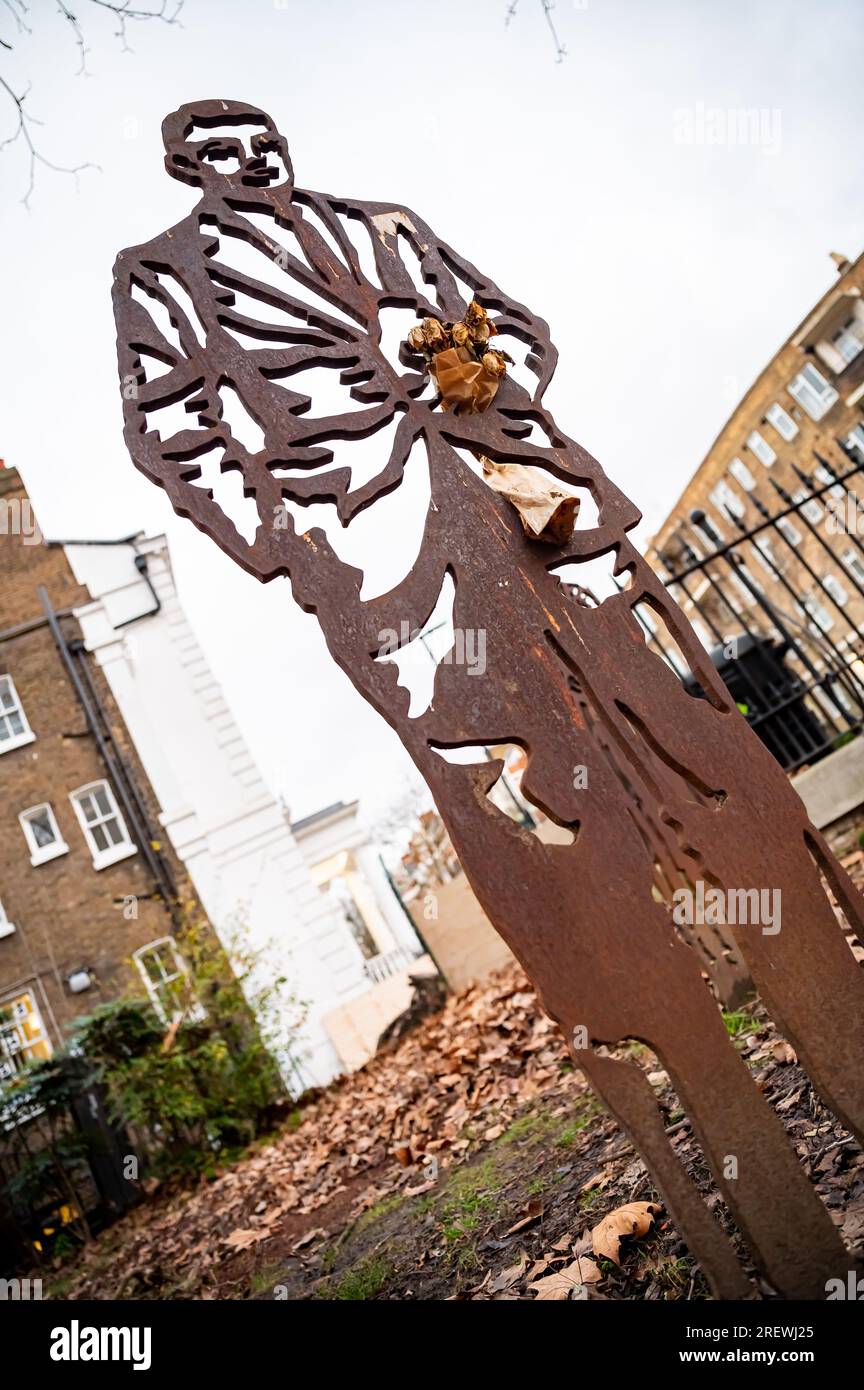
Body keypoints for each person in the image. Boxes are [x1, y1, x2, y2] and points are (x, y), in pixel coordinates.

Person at [114, 99, 864, 1297]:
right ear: (188, 165)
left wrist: (476, 382)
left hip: (530, 516)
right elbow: (183, 439)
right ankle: (738, 1169)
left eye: (257, 141)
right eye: (218, 149)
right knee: (544, 821)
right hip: (394, 569)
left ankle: (825, 1009)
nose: (246, 162)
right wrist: (299, 542)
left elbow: (511, 321)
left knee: (701, 765)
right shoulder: (162, 281)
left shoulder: (379, 227)